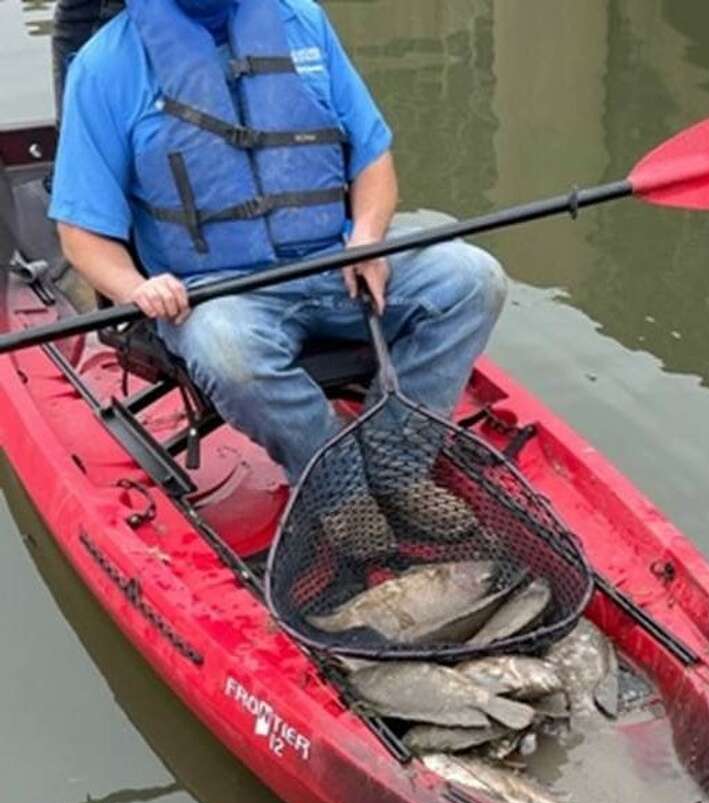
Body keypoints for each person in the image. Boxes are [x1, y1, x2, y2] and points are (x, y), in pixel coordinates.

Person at [47, 0, 507, 493]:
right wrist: (136, 286)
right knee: (229, 352)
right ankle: (341, 493)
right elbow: (82, 233)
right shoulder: (103, 65)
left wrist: (368, 239)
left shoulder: (302, 20)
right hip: (219, 293)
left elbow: (373, 157)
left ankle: (395, 467)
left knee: (475, 279)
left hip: (340, 264)